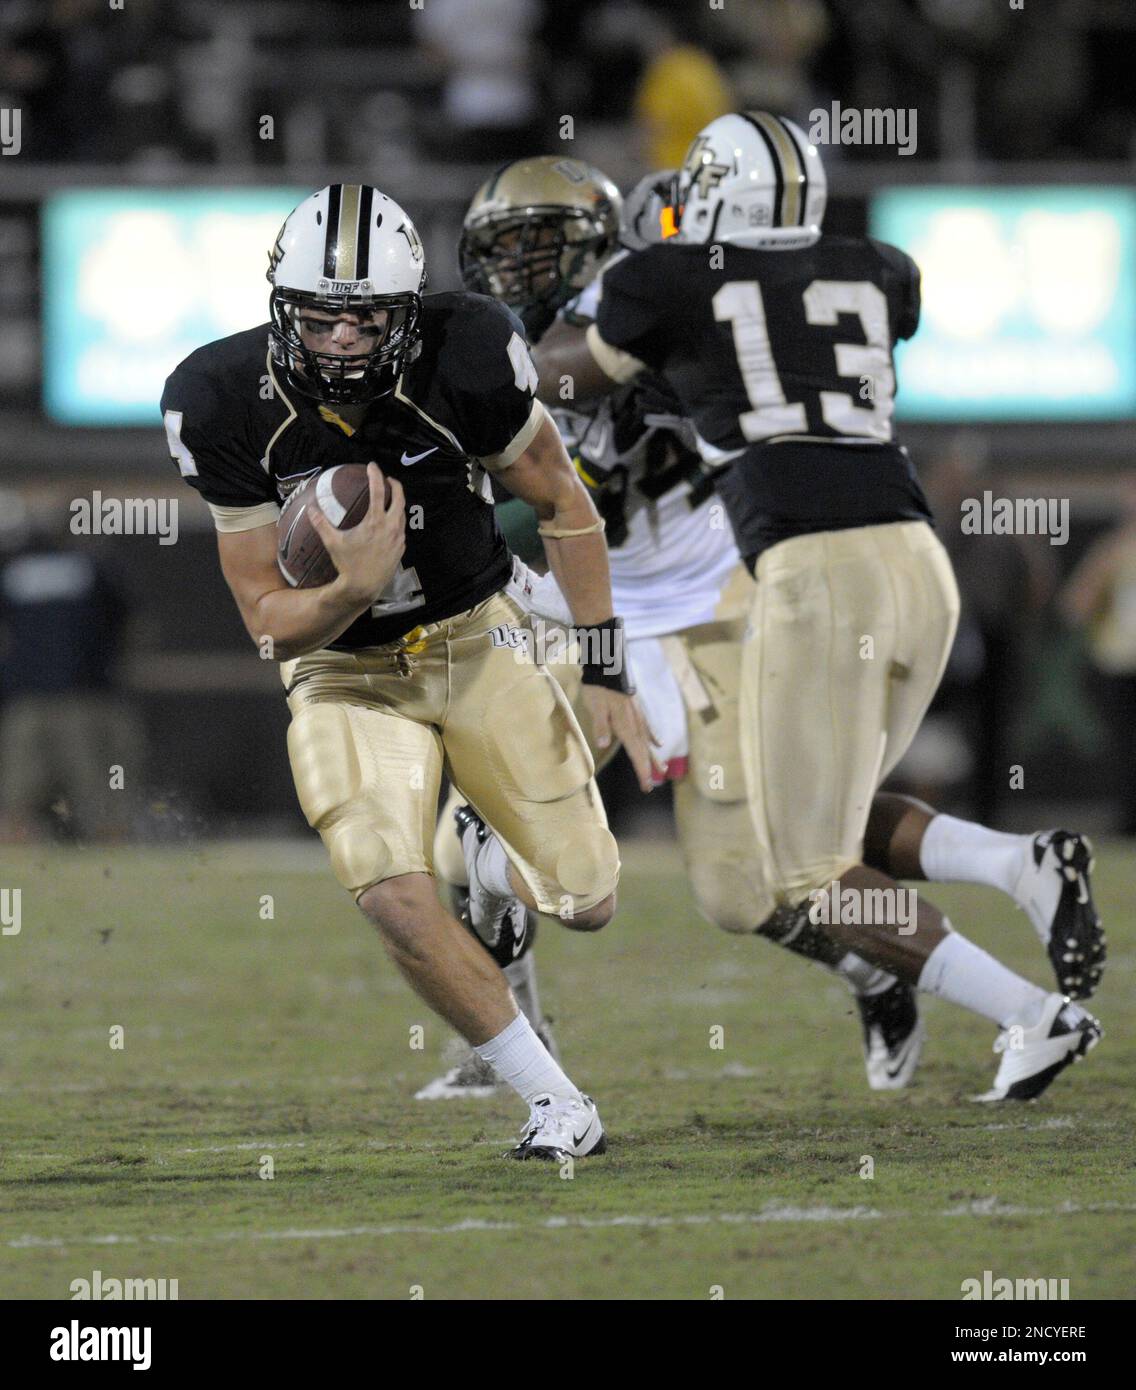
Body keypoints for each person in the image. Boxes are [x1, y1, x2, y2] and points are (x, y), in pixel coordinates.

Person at [527, 115, 1106, 1101]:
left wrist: (493, 376)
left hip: (811, 566)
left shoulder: (659, 282)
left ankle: (1031, 1015)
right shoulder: (878, 267)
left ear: (721, 191)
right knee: (815, 813)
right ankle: (1021, 865)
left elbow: (573, 375)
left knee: (803, 870)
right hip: (915, 561)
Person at [160, 184, 656, 1160]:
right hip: (341, 667)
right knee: (387, 888)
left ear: (405, 311)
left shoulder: (466, 349)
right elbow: (268, 621)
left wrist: (604, 667)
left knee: (588, 899)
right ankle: (556, 1102)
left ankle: (476, 845)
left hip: (478, 637)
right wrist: (350, 588)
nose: (342, 341)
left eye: (367, 319)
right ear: (280, 305)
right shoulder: (218, 397)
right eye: (319, 316)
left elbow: (562, 500)